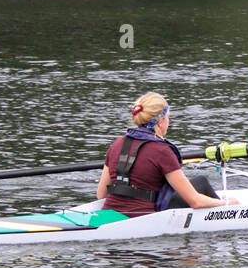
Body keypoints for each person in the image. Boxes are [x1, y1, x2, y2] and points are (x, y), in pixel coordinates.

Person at [97, 92, 237, 216]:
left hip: (109, 212)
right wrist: (227, 204)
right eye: (168, 118)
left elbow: (101, 195)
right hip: (144, 218)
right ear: (160, 121)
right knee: (201, 182)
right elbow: (195, 201)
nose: (168, 123)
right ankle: (226, 217)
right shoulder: (162, 151)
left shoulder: (116, 144)